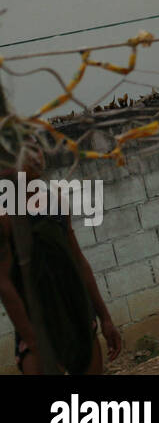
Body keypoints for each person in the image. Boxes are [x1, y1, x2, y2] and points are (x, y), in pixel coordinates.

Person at [0, 146, 122, 374]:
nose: (37, 154)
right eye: (26, 150)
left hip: (77, 315)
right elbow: (5, 286)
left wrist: (105, 318)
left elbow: (78, 261)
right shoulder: (5, 216)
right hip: (36, 325)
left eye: (37, 146)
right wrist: (35, 344)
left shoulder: (54, 200)